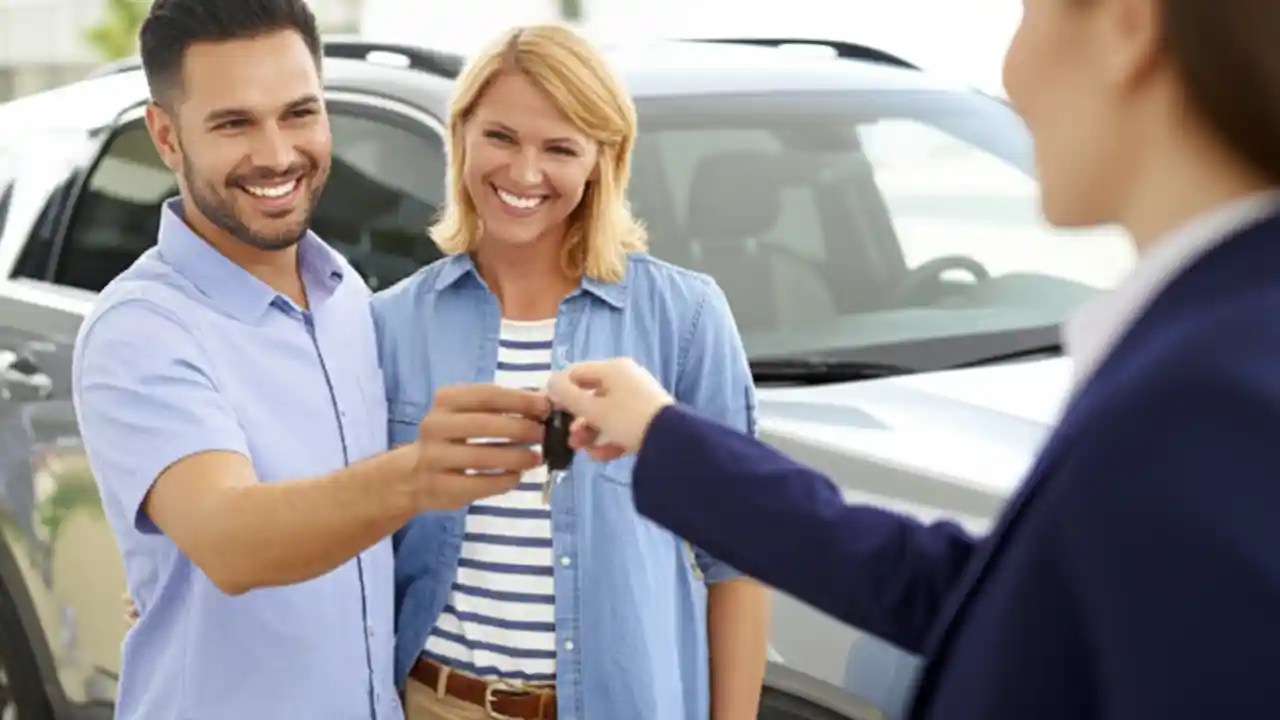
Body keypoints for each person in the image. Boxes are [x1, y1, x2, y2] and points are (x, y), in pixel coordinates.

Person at [545, 0, 1280, 717]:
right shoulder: (1221, 341)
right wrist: (669, 436)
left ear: (1127, 23)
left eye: (1028, 10)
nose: (1011, 74)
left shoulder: (1209, 401)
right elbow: (986, 594)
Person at [71, 2, 549, 718]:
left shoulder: (348, 297)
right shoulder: (141, 329)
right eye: (234, 123)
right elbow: (231, 541)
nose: (276, 153)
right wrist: (419, 473)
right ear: (166, 136)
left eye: (299, 113)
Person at [370, 24, 770, 720]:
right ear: (460, 134)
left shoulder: (685, 319)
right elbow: (341, 531)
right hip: (437, 705)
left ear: (601, 161)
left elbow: (737, 562)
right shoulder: (391, 325)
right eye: (500, 137)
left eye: (559, 148)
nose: (525, 174)